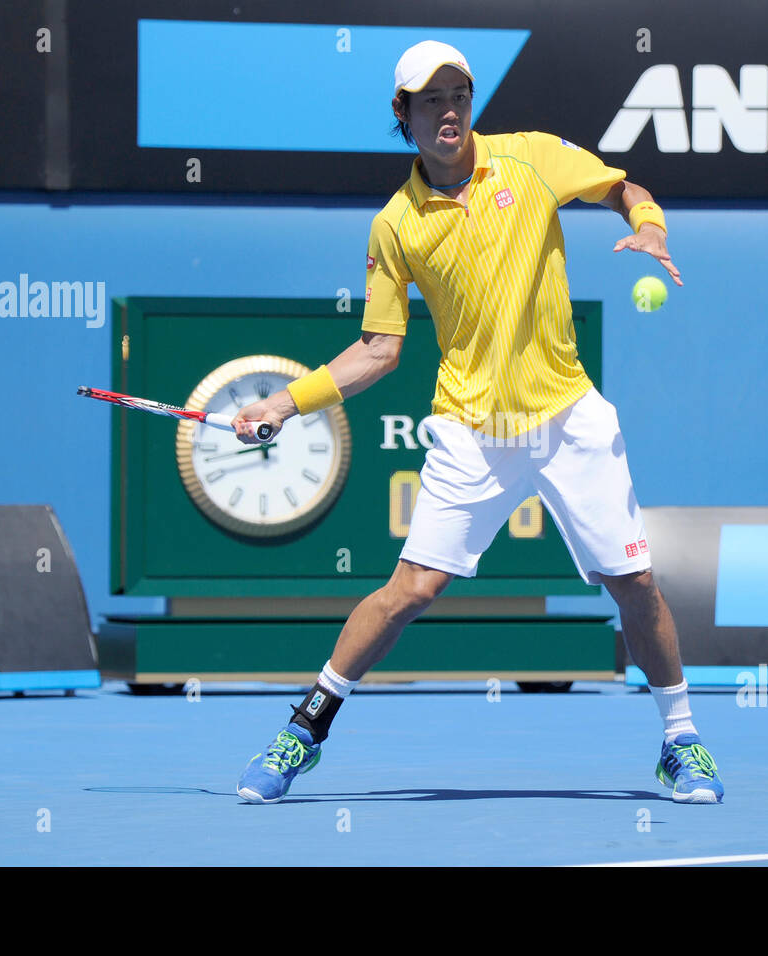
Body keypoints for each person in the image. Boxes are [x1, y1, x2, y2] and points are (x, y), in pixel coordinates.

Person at [232, 40, 723, 805]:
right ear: (404, 114)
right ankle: (306, 726)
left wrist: (652, 224)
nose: (449, 109)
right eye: (430, 99)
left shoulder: (529, 159)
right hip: (470, 429)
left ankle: (681, 740)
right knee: (410, 589)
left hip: (568, 416)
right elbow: (378, 351)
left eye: (458, 93)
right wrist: (284, 403)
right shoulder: (396, 225)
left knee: (636, 582)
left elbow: (624, 187)